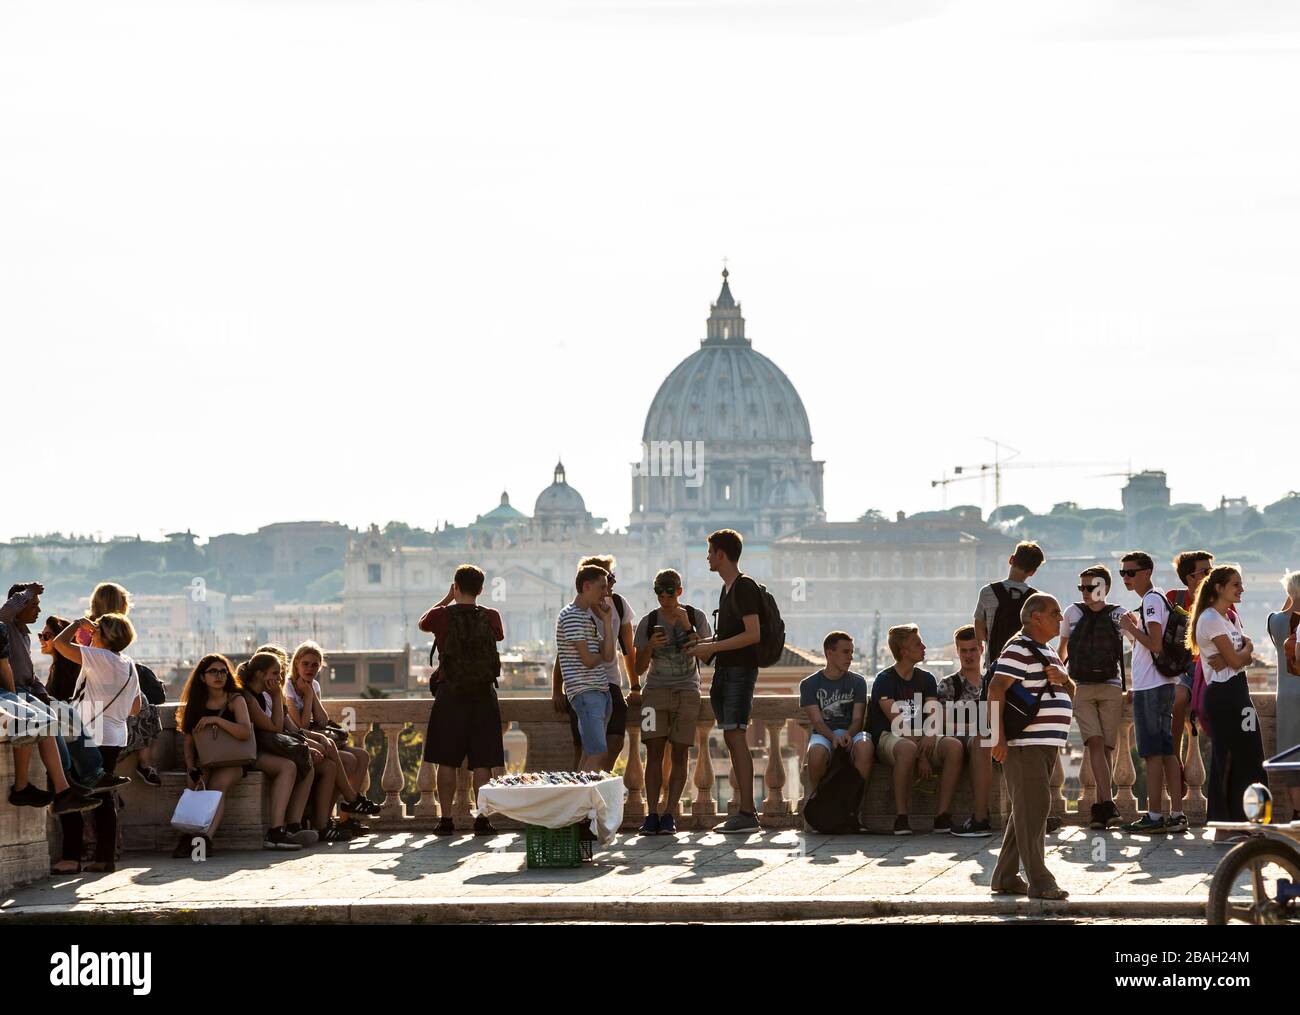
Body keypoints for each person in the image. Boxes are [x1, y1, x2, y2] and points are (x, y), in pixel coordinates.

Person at [987, 593, 1073, 900]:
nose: (1060, 618)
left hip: (1044, 742)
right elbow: (996, 689)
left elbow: (1066, 690)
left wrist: (1064, 676)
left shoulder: (1046, 650)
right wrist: (997, 738)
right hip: (1025, 743)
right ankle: (1040, 880)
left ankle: (1005, 876)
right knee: (1035, 810)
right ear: (1036, 617)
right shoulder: (1018, 648)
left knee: (1027, 810)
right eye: (1055, 613)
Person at [1, 581, 118, 795]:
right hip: (15, 694)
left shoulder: (24, 636)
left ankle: (92, 772)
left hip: (28, 691)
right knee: (50, 719)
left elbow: (29, 674)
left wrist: (43, 694)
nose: (38, 610)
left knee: (67, 713)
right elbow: (7, 610)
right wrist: (30, 591)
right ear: (20, 606)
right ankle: (64, 778)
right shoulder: (6, 626)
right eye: (33, 605)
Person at [49, 614, 143, 873]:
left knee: (72, 792)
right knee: (104, 797)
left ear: (105, 634)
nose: (92, 632)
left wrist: (77, 624)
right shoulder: (128, 664)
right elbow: (135, 707)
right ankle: (105, 857)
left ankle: (71, 857)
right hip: (114, 736)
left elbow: (59, 644)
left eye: (97, 629)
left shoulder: (99, 657)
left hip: (90, 735)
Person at [685, 529, 764, 835]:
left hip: (740, 672)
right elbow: (729, 636)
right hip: (726, 672)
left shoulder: (743, 587)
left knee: (736, 737)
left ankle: (747, 812)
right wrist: (700, 643)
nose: (707, 557)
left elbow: (753, 634)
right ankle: (745, 811)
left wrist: (712, 648)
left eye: (710, 552)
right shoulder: (727, 589)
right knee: (732, 738)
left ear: (721, 554)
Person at [419, 565, 506, 837]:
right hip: (482, 695)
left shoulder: (442, 617)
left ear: (455, 586)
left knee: (447, 761)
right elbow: (499, 636)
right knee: (482, 762)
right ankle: (481, 819)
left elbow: (423, 623)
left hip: (450, 695)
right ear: (481, 590)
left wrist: (446, 600)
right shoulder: (491, 616)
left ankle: (446, 820)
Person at [1189, 565, 1267, 839]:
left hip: (1239, 692)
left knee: (1252, 756)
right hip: (1223, 694)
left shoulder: (1230, 618)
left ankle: (1248, 821)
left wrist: (1241, 654)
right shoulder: (1210, 618)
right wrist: (1244, 652)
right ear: (1219, 588)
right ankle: (1224, 826)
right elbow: (1238, 658)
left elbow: (1239, 656)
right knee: (1228, 757)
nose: (1241, 589)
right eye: (1236, 584)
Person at [632, 568, 710, 835]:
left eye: (669, 592)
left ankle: (669, 814)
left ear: (679, 591)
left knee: (681, 752)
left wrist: (686, 626)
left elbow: (706, 655)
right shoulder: (648, 621)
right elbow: (639, 667)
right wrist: (650, 646)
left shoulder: (696, 616)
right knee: (652, 752)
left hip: (687, 692)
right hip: (654, 693)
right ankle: (651, 813)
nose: (664, 598)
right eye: (659, 592)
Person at [0, 613, 100, 819]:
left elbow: (23, 674)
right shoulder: (7, 626)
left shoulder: (19, 636)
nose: (43, 640)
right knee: (37, 719)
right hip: (12, 693)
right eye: (42, 636)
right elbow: (6, 670)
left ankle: (73, 781)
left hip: (18, 693)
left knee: (56, 716)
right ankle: (57, 783)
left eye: (47, 636)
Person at [867, 624, 964, 835]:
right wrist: (923, 757)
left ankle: (942, 816)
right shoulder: (884, 681)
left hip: (921, 735)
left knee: (954, 747)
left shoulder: (926, 679)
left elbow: (934, 713)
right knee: (907, 749)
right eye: (917, 644)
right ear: (904, 652)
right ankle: (901, 817)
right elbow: (897, 723)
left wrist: (929, 735)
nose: (924, 646)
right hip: (891, 737)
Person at [1118, 551, 1186, 834]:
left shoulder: (1150, 601)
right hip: (1160, 684)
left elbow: (1155, 644)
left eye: (1130, 572)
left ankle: (1156, 815)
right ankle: (1177, 814)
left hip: (1153, 686)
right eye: (1123, 573)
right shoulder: (1157, 599)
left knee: (1152, 752)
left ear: (1146, 572)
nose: (1125, 578)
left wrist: (1130, 627)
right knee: (1167, 749)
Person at [283, 641, 380, 836]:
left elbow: (321, 719)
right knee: (347, 762)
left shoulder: (314, 685)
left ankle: (346, 816)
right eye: (306, 664)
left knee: (362, 756)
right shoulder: (289, 687)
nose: (310, 668)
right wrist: (308, 696)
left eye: (315, 665)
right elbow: (299, 727)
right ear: (296, 664)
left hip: (317, 735)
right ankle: (333, 814)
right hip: (302, 739)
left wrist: (312, 692)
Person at [1057, 565, 1127, 830]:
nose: (1085, 592)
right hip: (1080, 687)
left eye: (1090, 587)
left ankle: (1100, 811)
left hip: (1111, 686)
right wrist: (1059, 680)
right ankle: (1108, 804)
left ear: (1105, 588)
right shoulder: (1071, 613)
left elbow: (1136, 649)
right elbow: (1061, 650)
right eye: (1081, 587)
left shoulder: (1120, 615)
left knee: (1107, 749)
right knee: (1095, 742)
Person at [77, 581, 164, 785]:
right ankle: (143, 764)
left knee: (140, 703)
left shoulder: (95, 628)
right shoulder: (98, 629)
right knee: (141, 703)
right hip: (98, 700)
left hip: (103, 701)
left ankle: (126, 774)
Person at [237, 652, 317, 850]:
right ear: (259, 674)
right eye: (275, 673)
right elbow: (275, 727)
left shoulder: (260, 696)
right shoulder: (248, 697)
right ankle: (275, 831)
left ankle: (292, 825)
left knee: (305, 761)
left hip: (260, 747)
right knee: (288, 767)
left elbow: (277, 727)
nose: (279, 679)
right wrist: (276, 695)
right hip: (245, 752)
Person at [174, 654, 251, 858]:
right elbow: (188, 739)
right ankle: (188, 836)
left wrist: (216, 721)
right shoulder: (197, 702)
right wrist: (191, 766)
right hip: (206, 759)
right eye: (213, 672)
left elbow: (245, 732)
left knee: (218, 787)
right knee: (195, 785)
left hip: (235, 759)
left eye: (223, 671)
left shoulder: (236, 699)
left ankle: (204, 840)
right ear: (202, 677)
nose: (219, 675)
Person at [566, 555, 636, 770]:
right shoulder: (578, 611)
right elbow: (566, 654)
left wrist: (635, 686)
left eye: (610, 580)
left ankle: (597, 785)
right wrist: (556, 690)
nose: (608, 587)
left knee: (613, 741)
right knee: (587, 749)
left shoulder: (618, 605)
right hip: (584, 685)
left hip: (610, 683)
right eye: (603, 583)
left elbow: (627, 648)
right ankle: (586, 794)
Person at [800, 631, 871, 829]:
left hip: (851, 732)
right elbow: (817, 721)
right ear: (829, 653)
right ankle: (821, 804)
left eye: (852, 652)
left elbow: (858, 718)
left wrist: (847, 734)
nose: (850, 657)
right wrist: (833, 737)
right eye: (845, 652)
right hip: (824, 734)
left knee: (865, 747)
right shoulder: (809, 685)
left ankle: (854, 809)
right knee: (815, 754)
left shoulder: (858, 682)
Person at [554, 564, 617, 773]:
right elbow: (589, 660)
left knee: (590, 753)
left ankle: (579, 802)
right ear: (587, 586)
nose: (605, 593)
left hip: (598, 692)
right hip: (586, 693)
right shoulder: (571, 616)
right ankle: (582, 804)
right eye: (602, 587)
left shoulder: (586, 617)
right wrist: (601, 654)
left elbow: (608, 655)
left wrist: (606, 621)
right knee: (598, 753)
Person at [939, 626, 994, 837]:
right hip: (964, 740)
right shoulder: (949, 685)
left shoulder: (991, 684)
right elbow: (942, 723)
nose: (969, 655)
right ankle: (981, 818)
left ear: (981, 650)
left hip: (989, 737)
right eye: (964, 651)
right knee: (982, 739)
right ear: (957, 652)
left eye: (973, 650)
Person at [1168, 550, 1216, 793]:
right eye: (1205, 572)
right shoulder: (1172, 599)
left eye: (1211, 571)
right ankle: (1174, 762)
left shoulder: (1220, 599)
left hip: (1210, 666)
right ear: (1189, 578)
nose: (1211, 576)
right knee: (1177, 699)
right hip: (1183, 668)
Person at [973, 542, 1044, 678]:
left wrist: (983, 644)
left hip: (996, 665)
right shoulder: (1036, 598)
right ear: (1033, 572)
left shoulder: (988, 592)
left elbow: (979, 627)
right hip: (1026, 668)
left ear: (1011, 559)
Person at [1267, 570, 1300, 822]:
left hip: (1287, 697)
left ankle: (1297, 813)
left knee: (1292, 759)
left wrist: (1291, 598)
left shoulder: (1276, 622)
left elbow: (1283, 615)